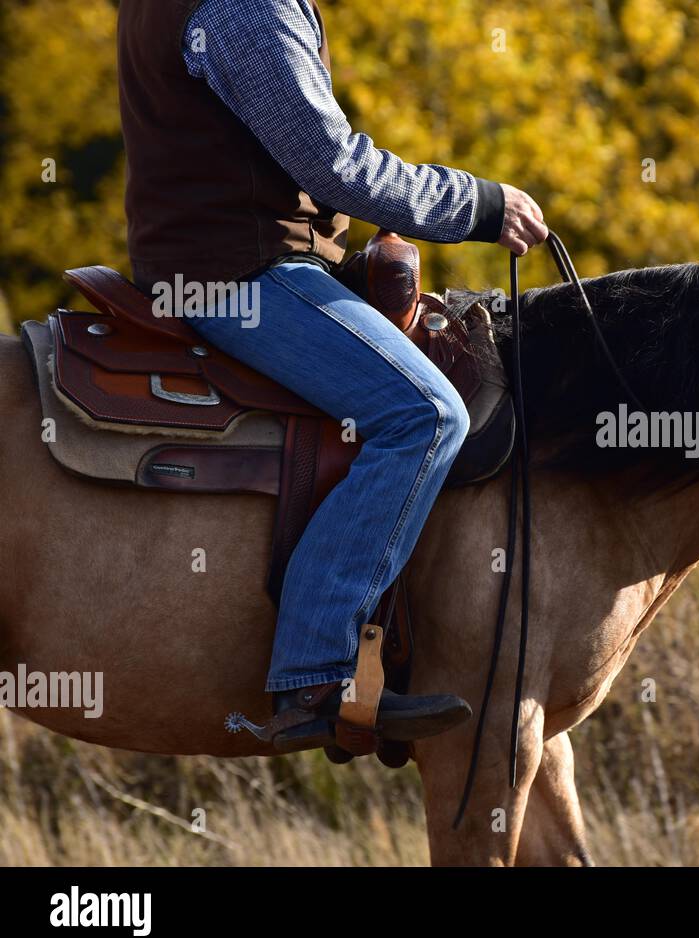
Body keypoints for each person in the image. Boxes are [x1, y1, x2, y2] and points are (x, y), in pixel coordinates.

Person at [117, 0, 548, 748]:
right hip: (240, 277)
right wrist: (479, 204)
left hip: (227, 261)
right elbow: (334, 165)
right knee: (425, 414)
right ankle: (315, 671)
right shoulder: (247, 7)